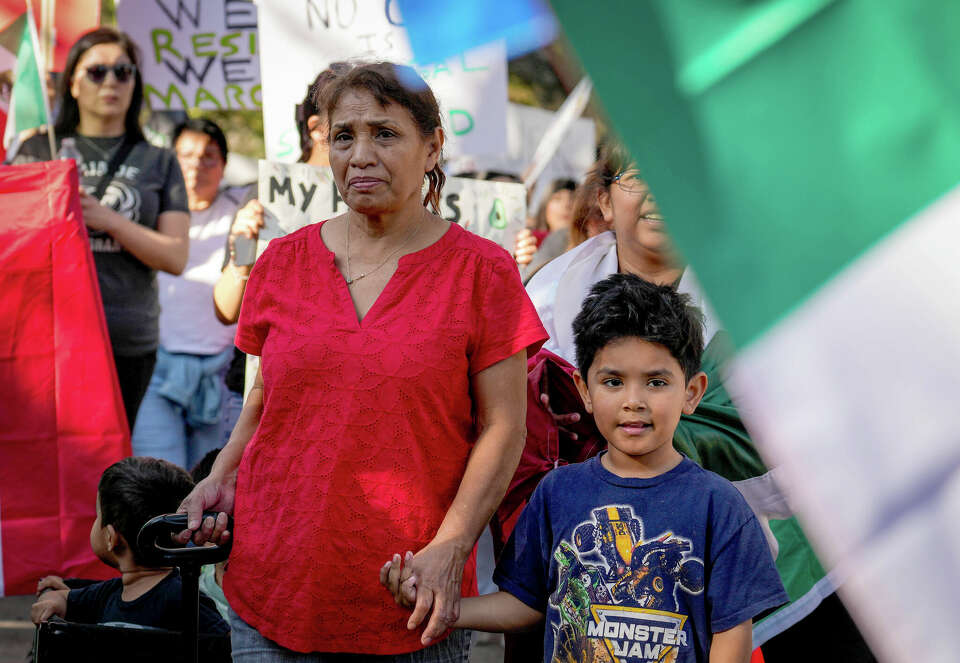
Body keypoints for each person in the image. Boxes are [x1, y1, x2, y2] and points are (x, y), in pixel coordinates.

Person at [176, 61, 547, 659]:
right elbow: (265, 401)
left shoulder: (482, 273)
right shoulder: (280, 262)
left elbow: (505, 428)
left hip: (410, 599)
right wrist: (222, 478)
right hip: (272, 587)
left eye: (386, 133)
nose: (361, 154)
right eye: (344, 136)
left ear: (432, 148)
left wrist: (452, 548)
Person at [524, 141, 873, 661]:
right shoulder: (546, 297)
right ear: (602, 200)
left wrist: (611, 439)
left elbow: (792, 438)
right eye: (638, 174)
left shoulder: (763, 295)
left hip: (769, 563)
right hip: (598, 580)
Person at [382, 274, 788, 662]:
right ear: (584, 391)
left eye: (656, 382)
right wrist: (446, 607)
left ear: (692, 392)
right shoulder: (557, 492)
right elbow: (527, 603)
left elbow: (733, 638)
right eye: (613, 382)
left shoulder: (721, 506)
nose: (634, 400)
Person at [11, 27, 189, 430]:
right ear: (72, 83)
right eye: (96, 72)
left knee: (108, 466)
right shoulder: (38, 150)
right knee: (44, 461)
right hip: (46, 337)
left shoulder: (159, 160)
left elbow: (175, 256)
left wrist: (107, 220)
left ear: (134, 83)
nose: (110, 81)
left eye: (122, 71)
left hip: (125, 342)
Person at [130, 119, 247, 468]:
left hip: (222, 375)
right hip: (156, 372)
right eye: (186, 155)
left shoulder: (245, 208)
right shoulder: (147, 212)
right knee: (158, 483)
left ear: (224, 165)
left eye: (209, 157)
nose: (197, 165)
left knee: (207, 487)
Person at [30, 457, 227, 634]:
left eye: (97, 516)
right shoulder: (110, 592)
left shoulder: (182, 598)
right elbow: (67, 600)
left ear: (110, 537)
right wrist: (55, 600)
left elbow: (223, 644)